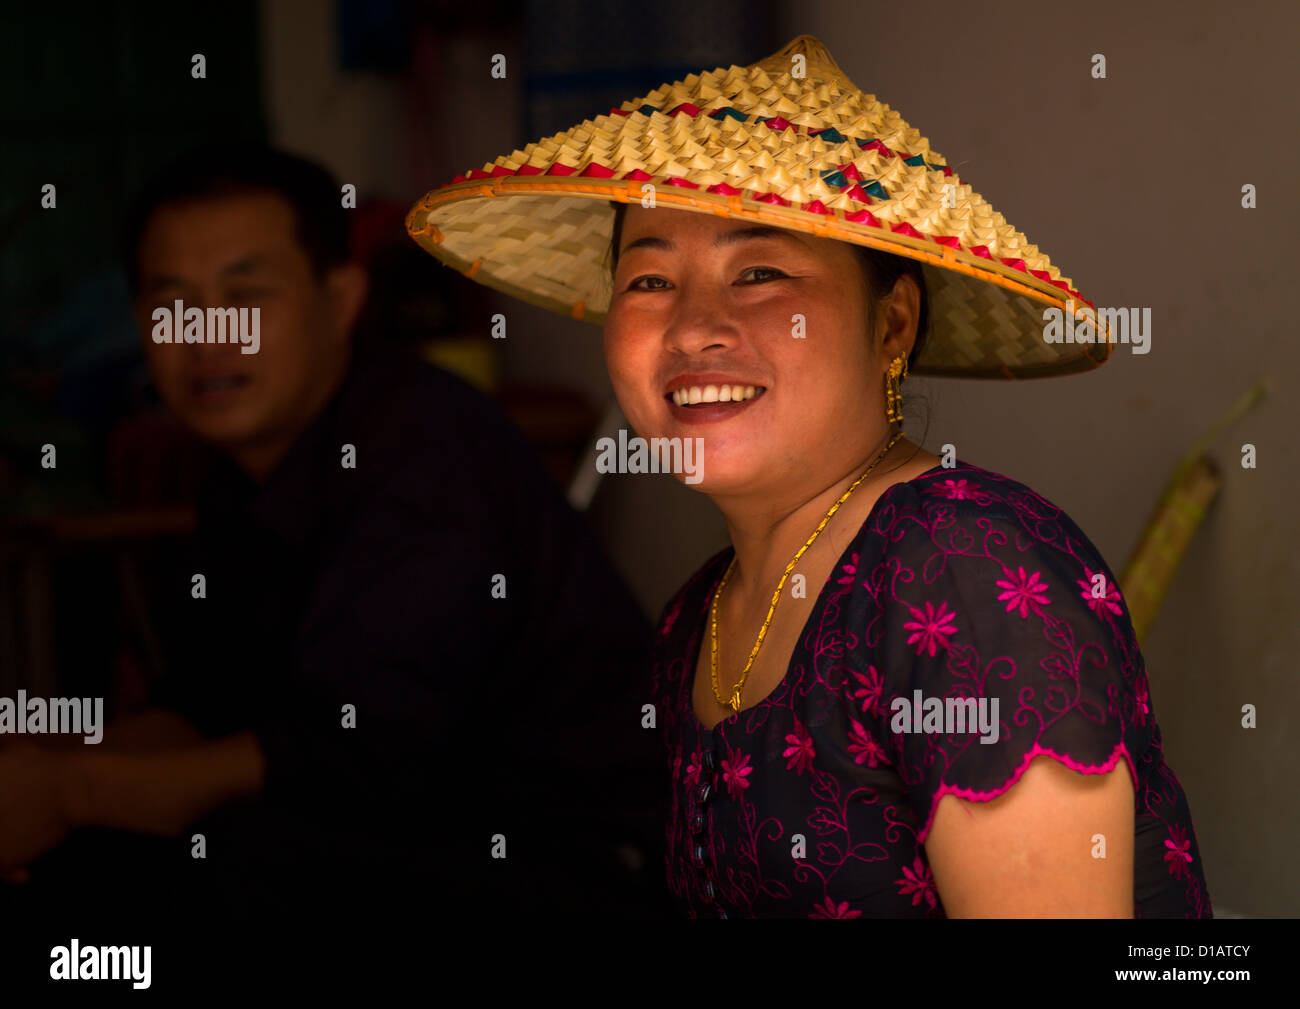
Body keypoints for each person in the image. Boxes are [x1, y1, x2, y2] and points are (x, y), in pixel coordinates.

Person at [404, 35, 1212, 917]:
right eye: (648, 280)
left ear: (894, 323)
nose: (693, 328)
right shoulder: (697, 621)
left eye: (759, 272)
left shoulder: (961, 569)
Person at [0, 146, 669, 927]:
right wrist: (48, 766)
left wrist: (71, 793)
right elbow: (207, 711)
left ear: (340, 299)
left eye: (245, 294)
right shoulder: (242, 467)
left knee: (191, 865)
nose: (208, 336)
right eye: (172, 300)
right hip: (392, 828)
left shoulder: (424, 451)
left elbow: (344, 757)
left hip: (576, 865)